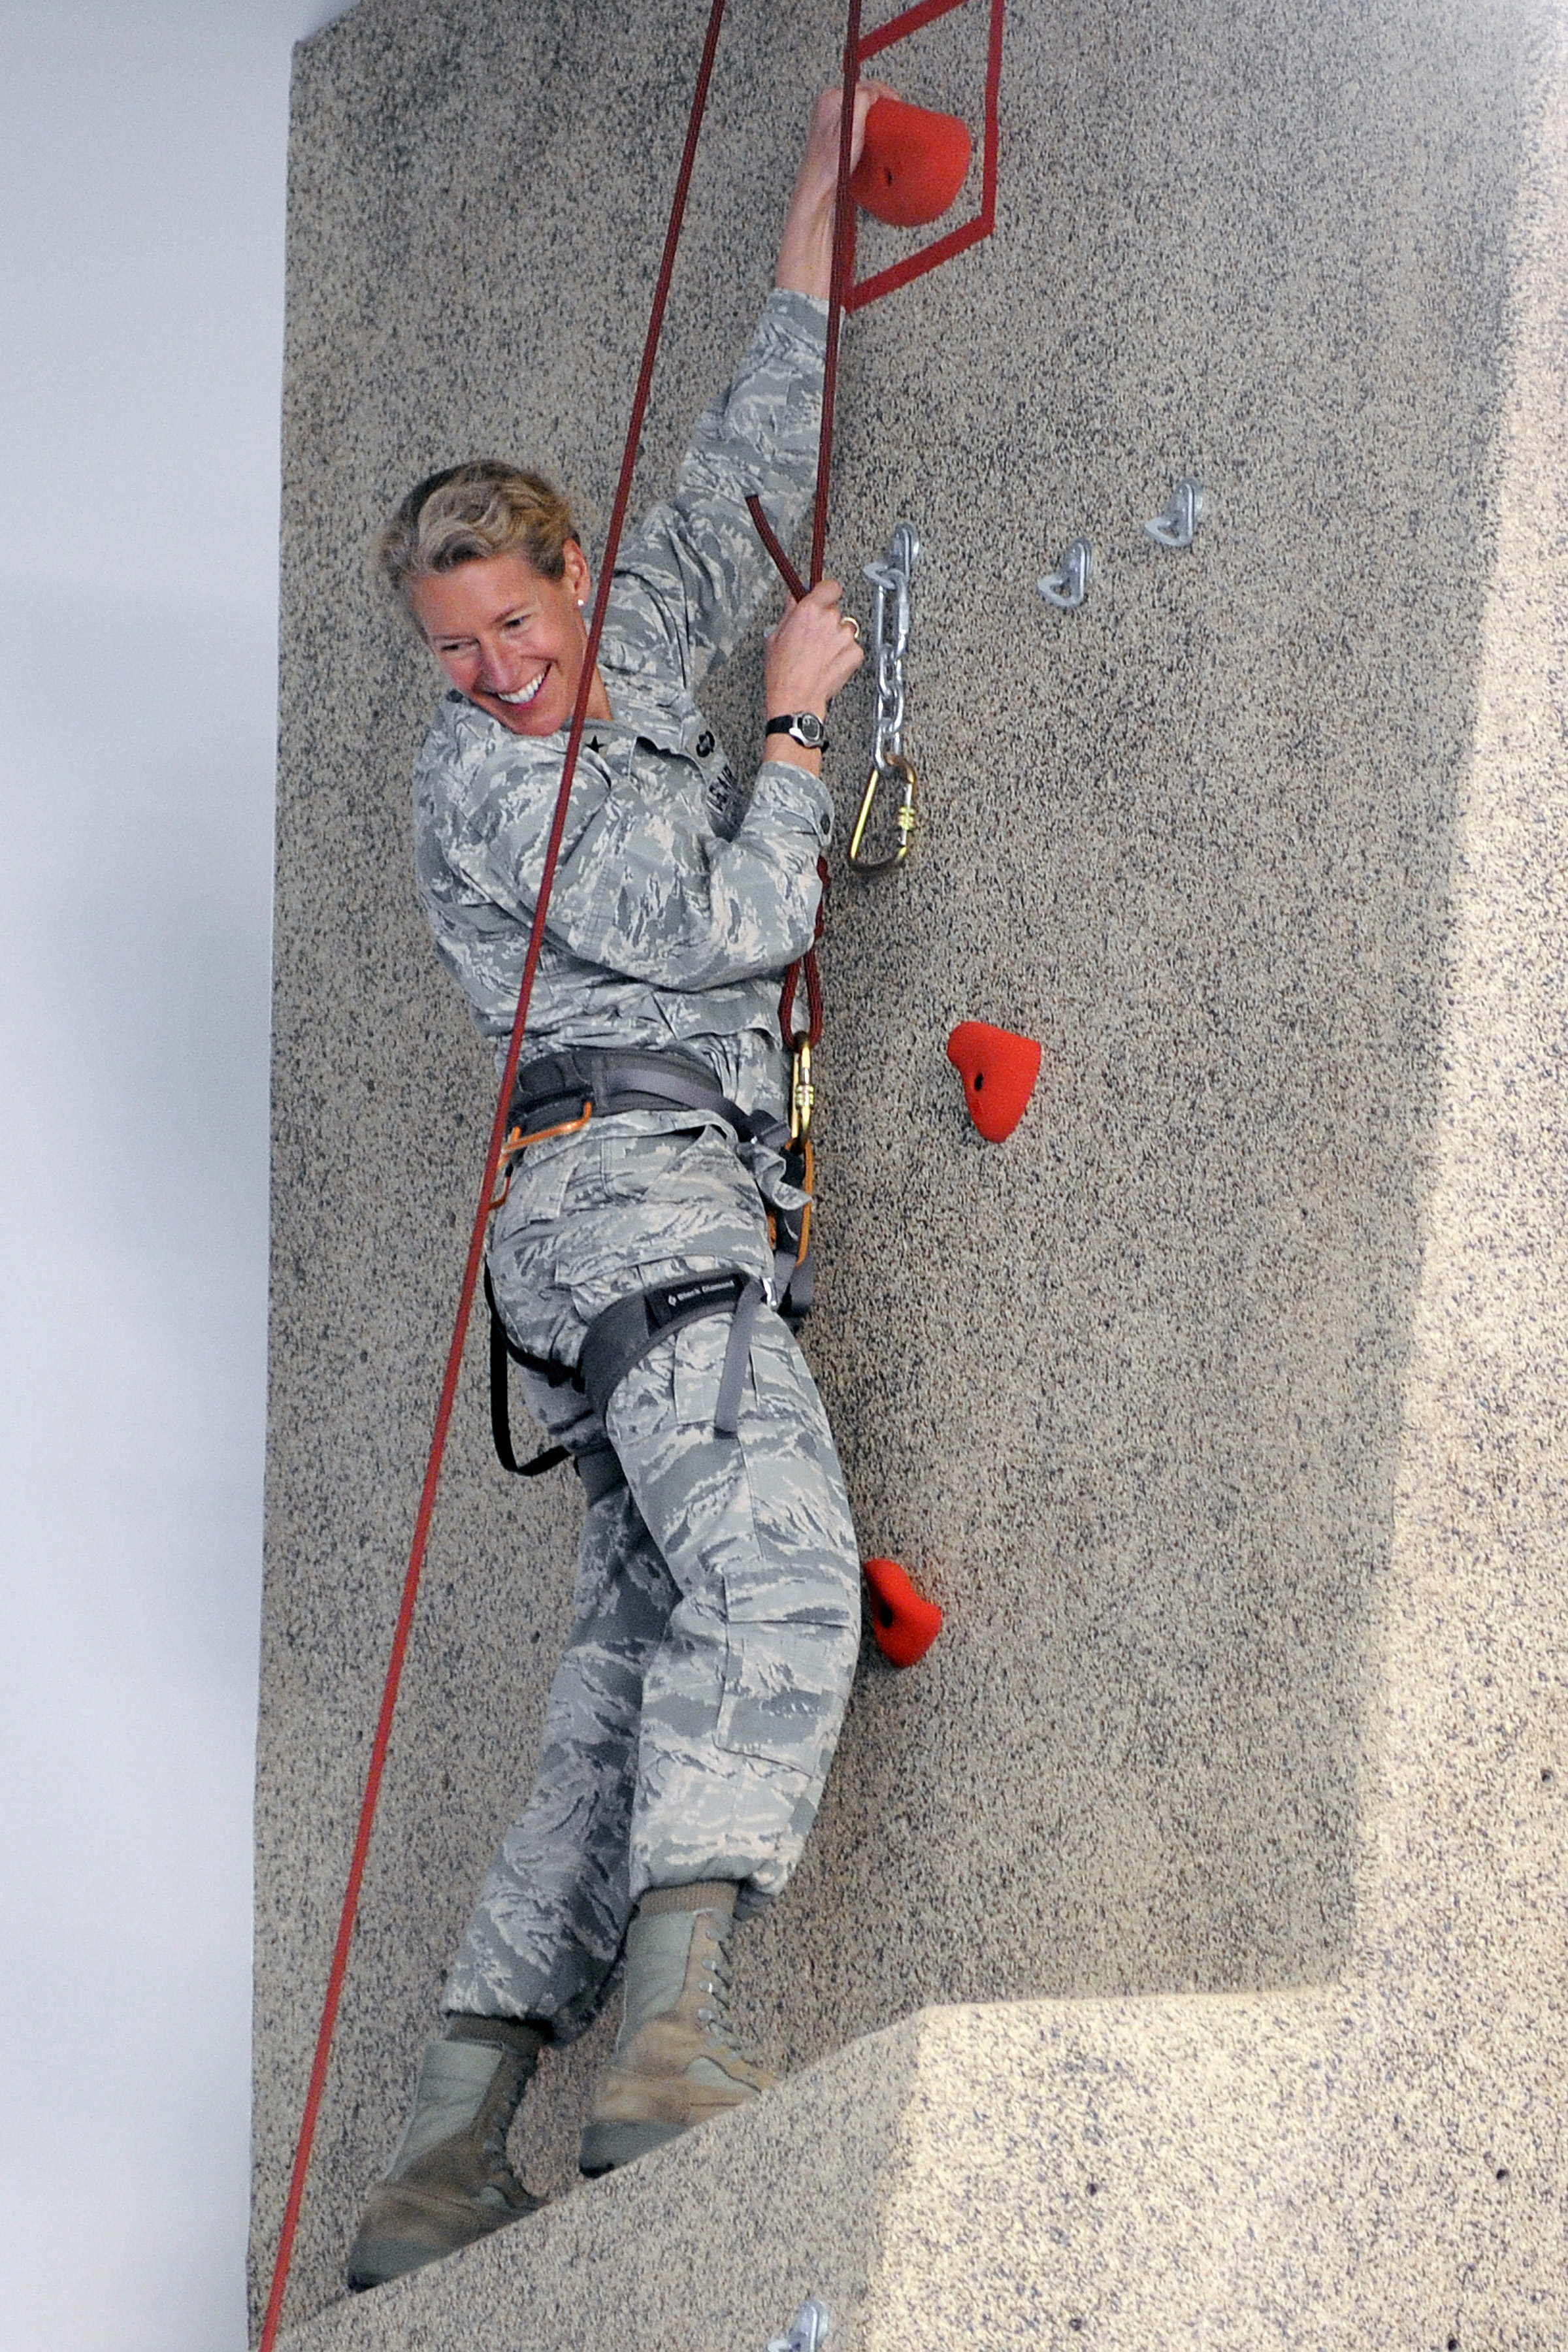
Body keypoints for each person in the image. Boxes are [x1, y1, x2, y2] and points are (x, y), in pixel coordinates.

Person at [347, 81, 890, 2291]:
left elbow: (743, 459)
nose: (495, 673)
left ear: (574, 576)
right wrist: (790, 730)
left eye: (516, 623)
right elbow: (733, 915)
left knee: (627, 1669)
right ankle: (667, 2048)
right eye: (454, 646)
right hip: (636, 1213)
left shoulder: (623, 627)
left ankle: (446, 2150)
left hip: (632, 1240)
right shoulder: (490, 795)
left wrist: (810, 212)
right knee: (784, 1588)